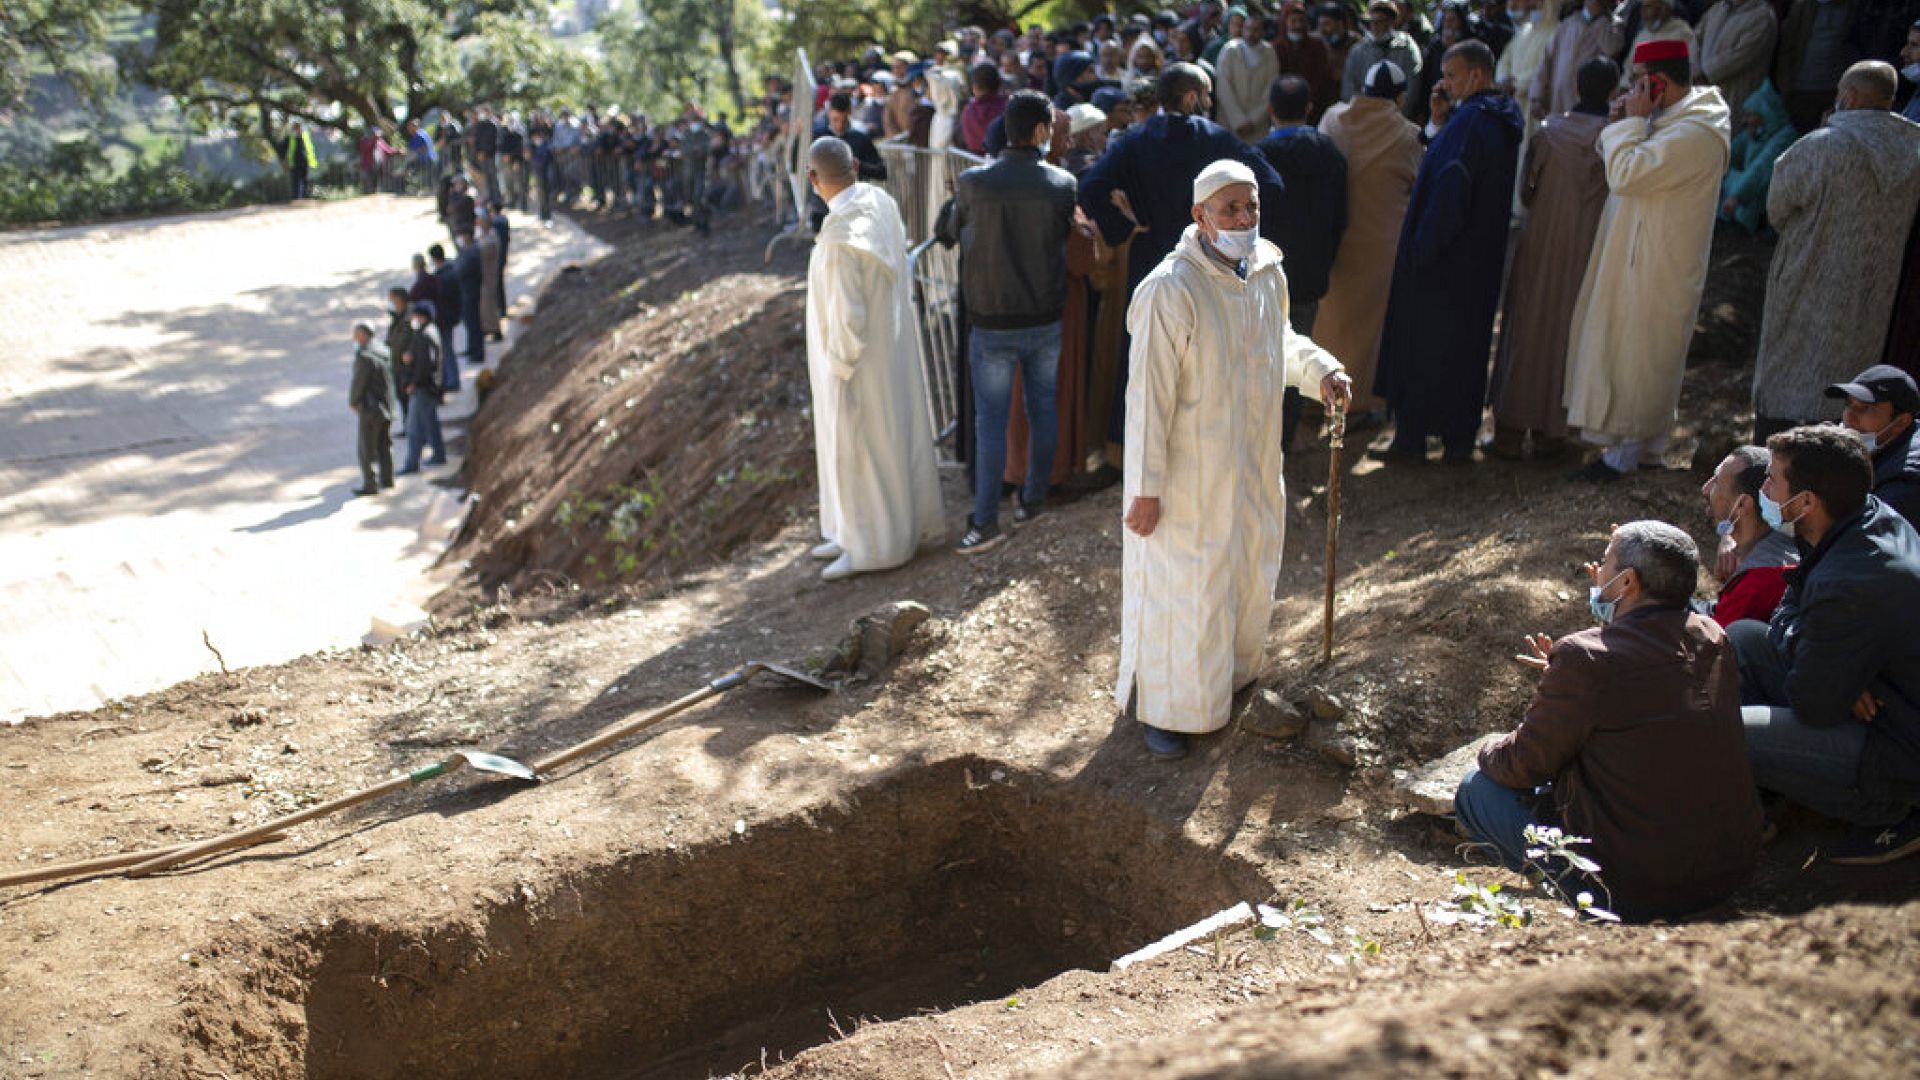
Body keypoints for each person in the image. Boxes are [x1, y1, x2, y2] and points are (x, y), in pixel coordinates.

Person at [1118, 159, 1353, 761]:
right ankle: (1170, 712)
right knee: (1188, 590)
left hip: (1252, 462)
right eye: (1231, 209)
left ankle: (1231, 682)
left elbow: (1280, 341)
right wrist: (1144, 488)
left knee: (1246, 571)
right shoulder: (1170, 288)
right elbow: (1146, 396)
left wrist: (1319, 369)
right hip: (1188, 478)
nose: (1244, 219)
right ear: (1201, 216)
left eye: (1251, 208)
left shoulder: (1266, 271)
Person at [1455, 521, 1763, 922]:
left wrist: (1488, 749)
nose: (1598, 572)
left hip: (1633, 888)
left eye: (1605, 562)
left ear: (1627, 582)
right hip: (1727, 873)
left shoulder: (1587, 658)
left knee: (1476, 791)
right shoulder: (1713, 636)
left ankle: (1574, 890)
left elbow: (1523, 764)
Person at [1731, 424, 1920, 865]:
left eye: (1772, 480)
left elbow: (1812, 703)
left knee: (1729, 731)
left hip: (1897, 748)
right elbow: (1790, 605)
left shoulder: (1850, 581)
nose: (1763, 489)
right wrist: (1833, 665)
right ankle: (1762, 801)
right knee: (1742, 638)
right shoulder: (1861, 515)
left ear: (1808, 501)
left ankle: (1890, 813)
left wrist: (1831, 667)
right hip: (1882, 696)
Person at [1079, 64, 1288, 451]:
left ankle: (1129, 448)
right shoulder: (1216, 139)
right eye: (1207, 95)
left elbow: (1092, 185)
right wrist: (1239, 232)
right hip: (1206, 259)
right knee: (1204, 352)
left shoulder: (1135, 139)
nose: (1210, 103)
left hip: (1149, 259)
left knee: (1143, 355)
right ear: (1192, 97)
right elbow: (1270, 183)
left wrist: (1125, 227)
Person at [1563, 39, 1730, 482]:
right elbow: (1619, 159)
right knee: (1632, 347)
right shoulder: (1671, 117)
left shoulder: (1697, 131)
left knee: (1641, 352)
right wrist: (1625, 122)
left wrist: (1633, 122)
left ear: (1658, 81)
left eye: (1640, 82)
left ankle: (1624, 454)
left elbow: (1626, 174)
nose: (1634, 91)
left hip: (1659, 264)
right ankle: (1646, 449)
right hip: (1637, 254)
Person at [938, 92, 1078, 554]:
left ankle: (985, 523)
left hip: (992, 318)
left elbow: (945, 232)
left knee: (991, 423)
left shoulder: (975, 182)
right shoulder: (1061, 183)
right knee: (1043, 410)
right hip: (1043, 313)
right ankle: (1033, 501)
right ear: (1040, 131)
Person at [801, 137, 945, 583]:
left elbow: (848, 314)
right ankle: (849, 531)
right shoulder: (879, 203)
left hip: (857, 365)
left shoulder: (841, 238)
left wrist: (840, 367)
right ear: (857, 165)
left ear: (812, 179)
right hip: (891, 347)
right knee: (889, 439)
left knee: (860, 448)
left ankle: (874, 546)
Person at [1750, 62, 1920, 438]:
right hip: (1871, 298)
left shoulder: (1821, 147)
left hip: (1808, 283)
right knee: (1846, 390)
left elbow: (1777, 206)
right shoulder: (1913, 155)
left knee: (1786, 388)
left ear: (1849, 96)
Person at [1373, 40, 1522, 464]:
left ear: (1476, 76)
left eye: (1452, 75)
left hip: (1442, 267)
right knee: (1465, 351)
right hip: (1475, 264)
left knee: (1426, 350)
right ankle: (1458, 438)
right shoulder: (1491, 119)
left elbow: (1451, 192)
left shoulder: (1474, 123)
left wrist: (1421, 252)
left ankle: (1413, 438)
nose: (1444, 83)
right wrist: (1439, 124)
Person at [1487, 56, 1616, 460]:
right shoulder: (1614, 139)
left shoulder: (1548, 132)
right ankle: (1553, 435)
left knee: (1526, 329)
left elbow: (1526, 193)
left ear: (1576, 88)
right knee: (1569, 335)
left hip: (1538, 247)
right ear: (1613, 93)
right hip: (1587, 254)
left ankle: (1509, 430)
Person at [1314, 60, 1423, 426]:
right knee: (1368, 332)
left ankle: (1320, 395)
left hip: (1335, 243)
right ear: (1400, 95)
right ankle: (1357, 404)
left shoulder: (1332, 119)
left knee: (1331, 321)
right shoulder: (1408, 134)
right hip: (1381, 248)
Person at [1260, 75, 1350, 448]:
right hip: (1311, 272)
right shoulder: (1330, 154)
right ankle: (1286, 433)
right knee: (1298, 351)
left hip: (1266, 274)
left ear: (1270, 110)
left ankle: (1266, 436)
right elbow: (1341, 218)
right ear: (1310, 109)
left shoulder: (1260, 156)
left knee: (1265, 354)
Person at [1699, 445, 1796, 626]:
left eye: (1717, 482)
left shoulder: (1758, 581)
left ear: (1742, 505)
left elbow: (1716, 646)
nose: (1706, 488)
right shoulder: (1789, 542)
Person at [1827, 365, 1920, 526]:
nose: (1849, 417)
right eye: (1848, 404)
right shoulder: (1874, 442)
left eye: (1865, 408)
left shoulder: (1908, 479)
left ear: (1901, 423)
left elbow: (1868, 537)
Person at [1715, 80, 1797, 234]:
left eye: (1750, 115)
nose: (1746, 121)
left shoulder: (1785, 137)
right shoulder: (1754, 134)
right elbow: (1727, 155)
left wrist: (1736, 196)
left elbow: (1761, 168)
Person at [1772, 0, 1861, 132]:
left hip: (1833, 89)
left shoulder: (1854, 8)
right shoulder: (1803, 6)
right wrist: (1785, 84)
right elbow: (1787, 47)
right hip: (1801, 88)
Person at [1531, 0, 1625, 120]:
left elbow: (1611, 48)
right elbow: (1546, 62)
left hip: (1588, 108)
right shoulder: (1567, 24)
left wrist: (1597, 19)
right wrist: (1536, 96)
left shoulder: (1614, 24)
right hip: (1558, 102)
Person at [1694, 0, 1777, 129]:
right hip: (1705, 96)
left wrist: (1705, 73)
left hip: (1736, 99)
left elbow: (1741, 56)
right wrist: (1695, 70)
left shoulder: (1762, 16)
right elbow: (1695, 39)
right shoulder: (1718, 9)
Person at [1344, 0, 1425, 115]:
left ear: (1391, 22)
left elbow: (1412, 86)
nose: (1375, 26)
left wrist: (1395, 114)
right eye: (1372, 22)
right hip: (1365, 117)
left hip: (1398, 117)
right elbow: (1349, 87)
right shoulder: (1358, 50)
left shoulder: (1406, 47)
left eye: (1380, 21)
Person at [397, 303, 447, 475]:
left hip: (423, 388)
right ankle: (439, 454)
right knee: (430, 423)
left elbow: (425, 365)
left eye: (415, 316)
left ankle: (411, 463)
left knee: (414, 427)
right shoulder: (431, 331)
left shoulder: (423, 336)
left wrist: (414, 383)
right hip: (431, 386)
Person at [348, 322, 396, 496]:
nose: (354, 338)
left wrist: (353, 401)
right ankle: (388, 479)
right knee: (384, 444)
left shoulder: (364, 356)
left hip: (371, 408)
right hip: (387, 405)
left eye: (356, 334)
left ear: (363, 335)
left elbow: (359, 383)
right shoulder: (383, 350)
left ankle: (370, 483)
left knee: (366, 448)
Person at [1218, 10, 1282, 139]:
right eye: (1247, 28)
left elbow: (1271, 89)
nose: (1250, 33)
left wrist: (1253, 121)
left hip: (1257, 128)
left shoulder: (1270, 53)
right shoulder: (1230, 50)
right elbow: (1223, 87)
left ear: (1263, 32)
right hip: (1229, 124)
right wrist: (1238, 121)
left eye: (1255, 29)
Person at [1275, 1, 1340, 120]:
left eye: (1301, 21)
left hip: (1313, 109)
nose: (1298, 26)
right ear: (1285, 22)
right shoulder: (1276, 48)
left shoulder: (1317, 46)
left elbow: (1322, 78)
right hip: (1283, 109)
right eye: (1293, 21)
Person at [426, 244, 462, 390]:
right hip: (450, 316)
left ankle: (452, 381)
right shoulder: (450, 270)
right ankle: (449, 379)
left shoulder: (444, 276)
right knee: (446, 349)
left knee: (446, 350)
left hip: (445, 318)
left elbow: (443, 299)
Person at [962, 63, 1009, 154]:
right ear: (999, 83)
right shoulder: (1009, 107)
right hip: (1004, 163)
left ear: (974, 86)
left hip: (974, 163)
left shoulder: (968, 111)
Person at [454, 230, 483, 376]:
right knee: (470, 323)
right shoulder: (468, 251)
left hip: (470, 293)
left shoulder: (472, 252)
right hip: (467, 292)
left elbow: (461, 270)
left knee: (474, 323)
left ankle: (477, 352)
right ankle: (472, 349)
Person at [383, 286, 415, 423]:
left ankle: (413, 427)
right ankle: (408, 425)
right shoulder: (398, 316)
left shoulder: (410, 317)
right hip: (396, 364)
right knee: (402, 398)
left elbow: (408, 341)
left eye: (393, 299)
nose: (391, 302)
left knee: (409, 399)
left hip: (407, 366)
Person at [476, 208, 503, 344]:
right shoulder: (484, 235)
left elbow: (484, 252)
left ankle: (494, 329)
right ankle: (488, 328)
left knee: (489, 304)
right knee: (485, 304)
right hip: (485, 274)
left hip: (489, 274)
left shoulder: (491, 237)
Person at [283, 121, 317, 200]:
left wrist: (312, 162)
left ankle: (305, 197)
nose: (298, 129)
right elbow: (284, 150)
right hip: (294, 163)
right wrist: (286, 161)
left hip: (304, 162)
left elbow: (310, 149)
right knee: (295, 182)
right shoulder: (290, 138)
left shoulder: (305, 137)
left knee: (305, 181)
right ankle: (296, 199)